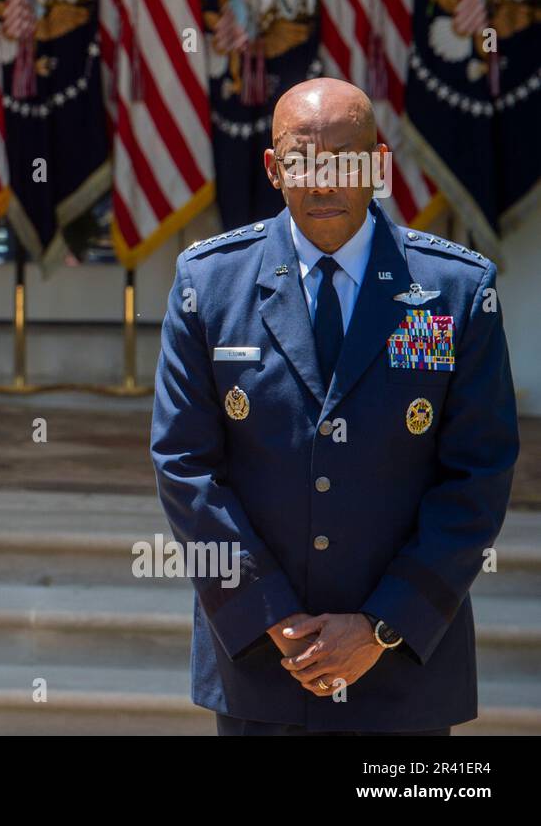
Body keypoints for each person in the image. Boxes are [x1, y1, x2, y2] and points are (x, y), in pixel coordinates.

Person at [150, 77, 517, 734]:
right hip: (265, 667)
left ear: (378, 164)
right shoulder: (208, 287)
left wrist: (383, 624)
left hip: (403, 670)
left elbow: (478, 475)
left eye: (345, 158)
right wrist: (268, 611)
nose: (324, 181)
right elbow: (185, 468)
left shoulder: (455, 292)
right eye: (303, 159)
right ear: (273, 167)